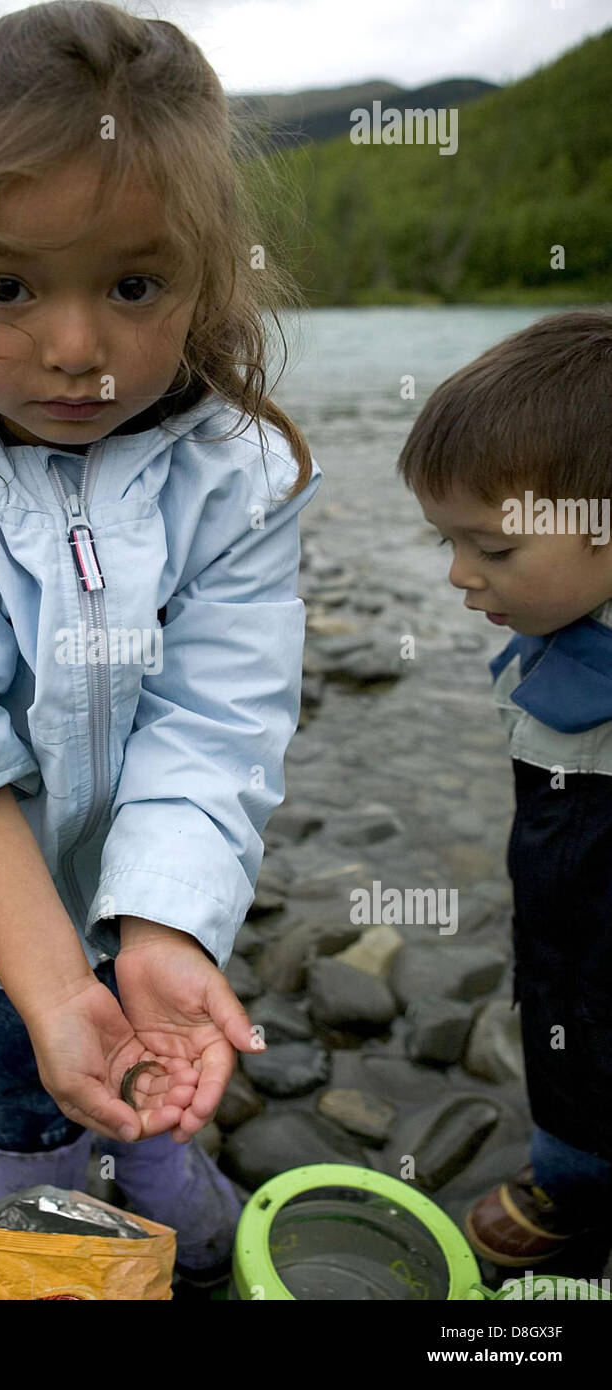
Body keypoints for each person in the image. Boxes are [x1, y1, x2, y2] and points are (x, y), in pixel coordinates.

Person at [0, 0, 321, 1289]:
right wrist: (41, 977)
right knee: (13, 1067)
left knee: (143, 1035)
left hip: (155, 872)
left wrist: (163, 929)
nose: (74, 349)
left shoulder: (238, 475)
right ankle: (27, 1197)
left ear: (206, 276)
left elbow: (217, 718)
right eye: (9, 286)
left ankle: (149, 1161)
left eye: (134, 284)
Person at [397, 308, 612, 1268]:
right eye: (449, 541)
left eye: (492, 550)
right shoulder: (550, 646)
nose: (457, 575)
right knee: (564, 1046)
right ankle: (569, 1182)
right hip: (566, 926)